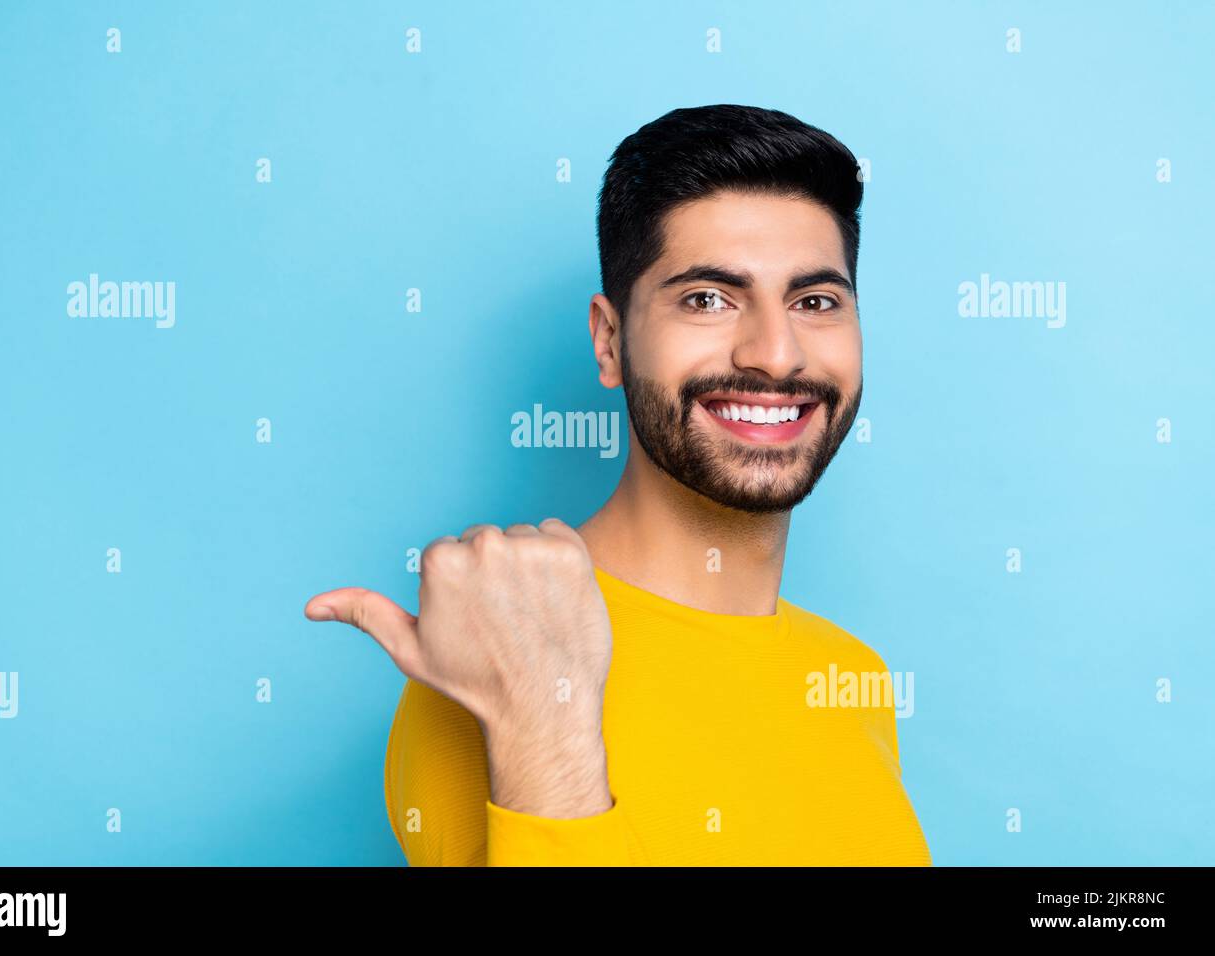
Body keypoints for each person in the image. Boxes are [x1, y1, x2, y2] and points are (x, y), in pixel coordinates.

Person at [305, 104, 932, 866]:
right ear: (610, 341)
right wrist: (543, 727)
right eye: (707, 298)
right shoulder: (493, 660)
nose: (776, 353)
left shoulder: (852, 676)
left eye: (816, 301)